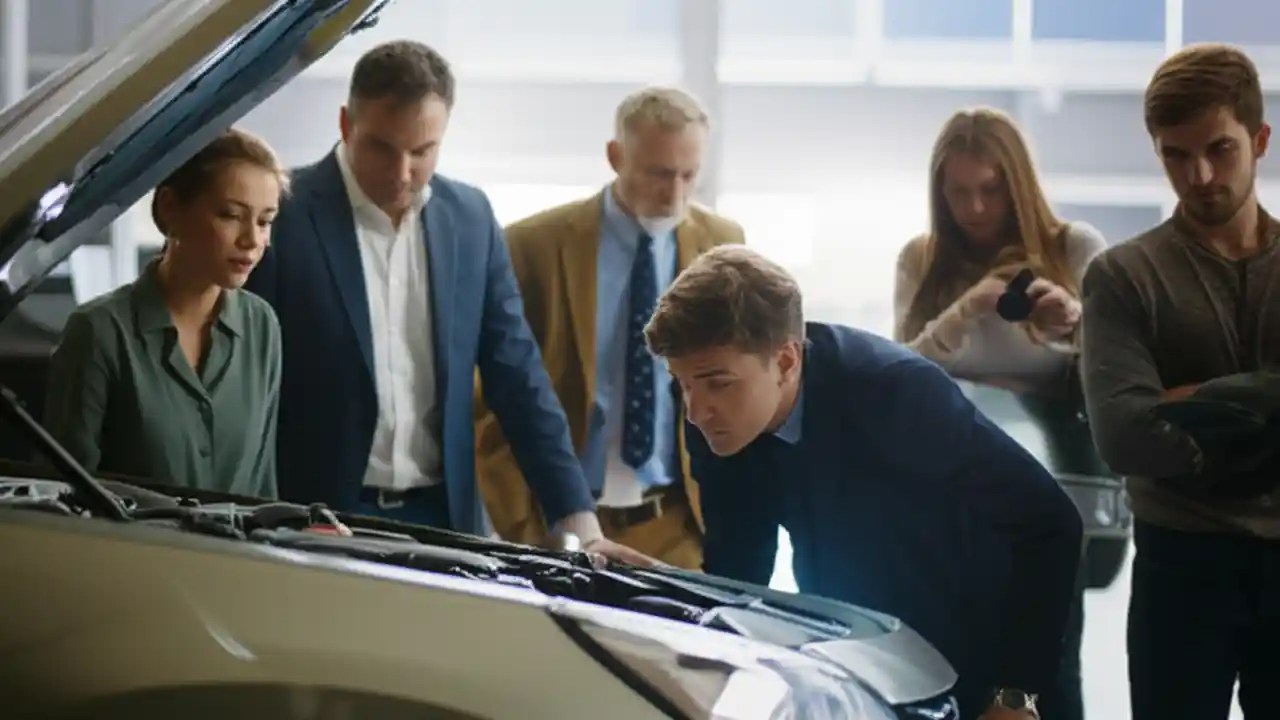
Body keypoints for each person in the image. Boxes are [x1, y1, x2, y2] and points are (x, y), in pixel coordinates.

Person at [243, 40, 646, 564]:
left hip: (444, 520)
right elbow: (244, 388)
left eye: (422, 151)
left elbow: (518, 377)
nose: (402, 172)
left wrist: (578, 521)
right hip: (314, 522)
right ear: (346, 124)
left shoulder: (471, 219)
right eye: (383, 148)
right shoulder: (283, 215)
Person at [645, 245, 1083, 720]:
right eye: (681, 382)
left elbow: (1052, 525)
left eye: (716, 382)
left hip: (1004, 643)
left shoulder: (895, 393)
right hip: (869, 654)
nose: (695, 409)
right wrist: (654, 587)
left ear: (787, 361)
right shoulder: (715, 418)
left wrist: (1016, 692)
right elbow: (740, 571)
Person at [1080, 43, 1280, 720]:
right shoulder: (1123, 276)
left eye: (1219, 149)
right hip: (1182, 567)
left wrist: (1191, 403)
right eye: (1175, 154)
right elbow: (1125, 436)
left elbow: (1157, 425)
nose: (1198, 175)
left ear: (1259, 140)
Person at [894, 107, 1107, 720]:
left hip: (1052, 497)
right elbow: (898, 379)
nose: (976, 207)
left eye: (991, 188)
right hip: (949, 499)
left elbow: (1114, 377)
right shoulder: (921, 260)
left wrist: (1070, 328)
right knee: (946, 663)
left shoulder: (1073, 247)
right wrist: (969, 308)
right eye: (958, 191)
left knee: (1050, 670)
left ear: (1018, 184)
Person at [475, 86, 743, 569]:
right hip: (558, 524)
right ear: (615, 156)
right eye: (659, 174)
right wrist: (524, 523)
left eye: (690, 175)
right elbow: (494, 395)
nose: (676, 194)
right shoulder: (533, 246)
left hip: (677, 525)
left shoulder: (724, 244)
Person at [45, 128, 285, 499]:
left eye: (265, 221)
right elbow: (61, 500)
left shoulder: (262, 326)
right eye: (231, 215)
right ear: (170, 207)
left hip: (236, 556)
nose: (252, 240)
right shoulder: (99, 332)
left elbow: (263, 487)